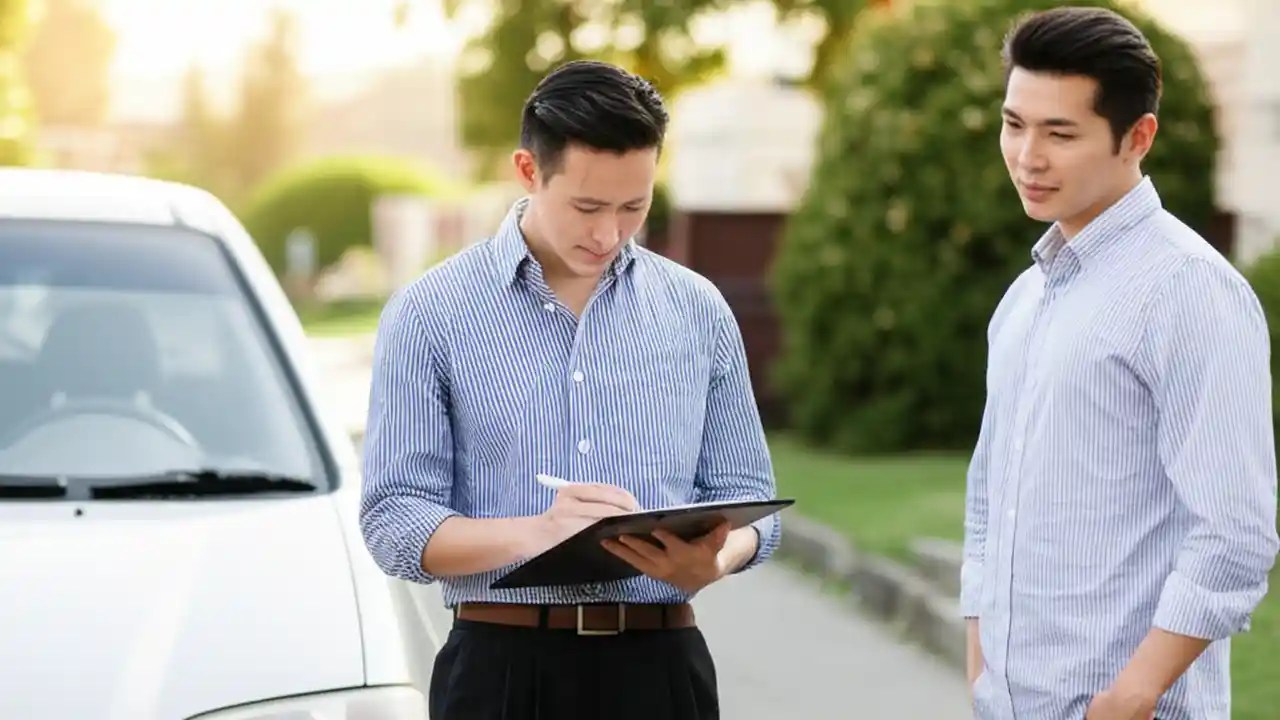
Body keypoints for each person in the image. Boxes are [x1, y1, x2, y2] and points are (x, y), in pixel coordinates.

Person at [358, 59, 781, 719]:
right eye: (587, 207)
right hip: (500, 674)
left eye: (633, 207)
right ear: (528, 171)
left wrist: (719, 556)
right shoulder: (430, 313)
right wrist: (538, 533)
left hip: (662, 671)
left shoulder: (699, 310)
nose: (608, 233)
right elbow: (395, 522)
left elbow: (753, 500)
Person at [962, 6, 1280, 720]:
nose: (1027, 156)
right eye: (1014, 124)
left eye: (1059, 133)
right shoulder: (1025, 298)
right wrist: (981, 665)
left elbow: (1234, 532)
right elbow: (989, 498)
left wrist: (1132, 695)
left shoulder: (1190, 291)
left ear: (1138, 137)